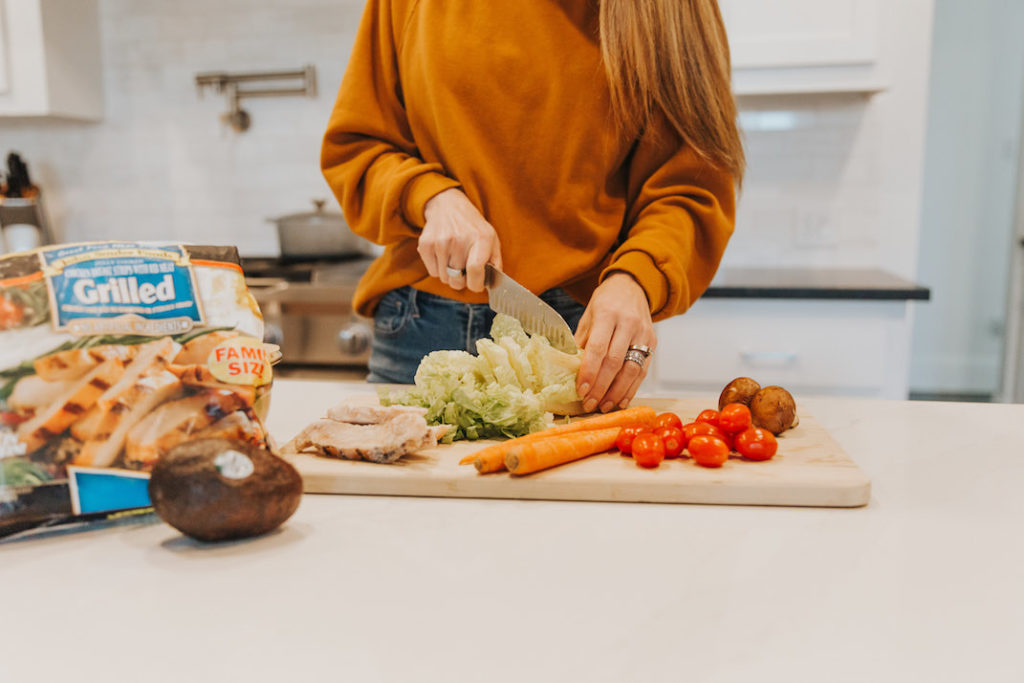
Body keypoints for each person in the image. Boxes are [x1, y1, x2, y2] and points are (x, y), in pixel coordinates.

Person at [322, 0, 743, 414]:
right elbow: (358, 148)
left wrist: (636, 278)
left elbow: (692, 186)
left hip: (581, 338)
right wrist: (430, 196)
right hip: (422, 322)